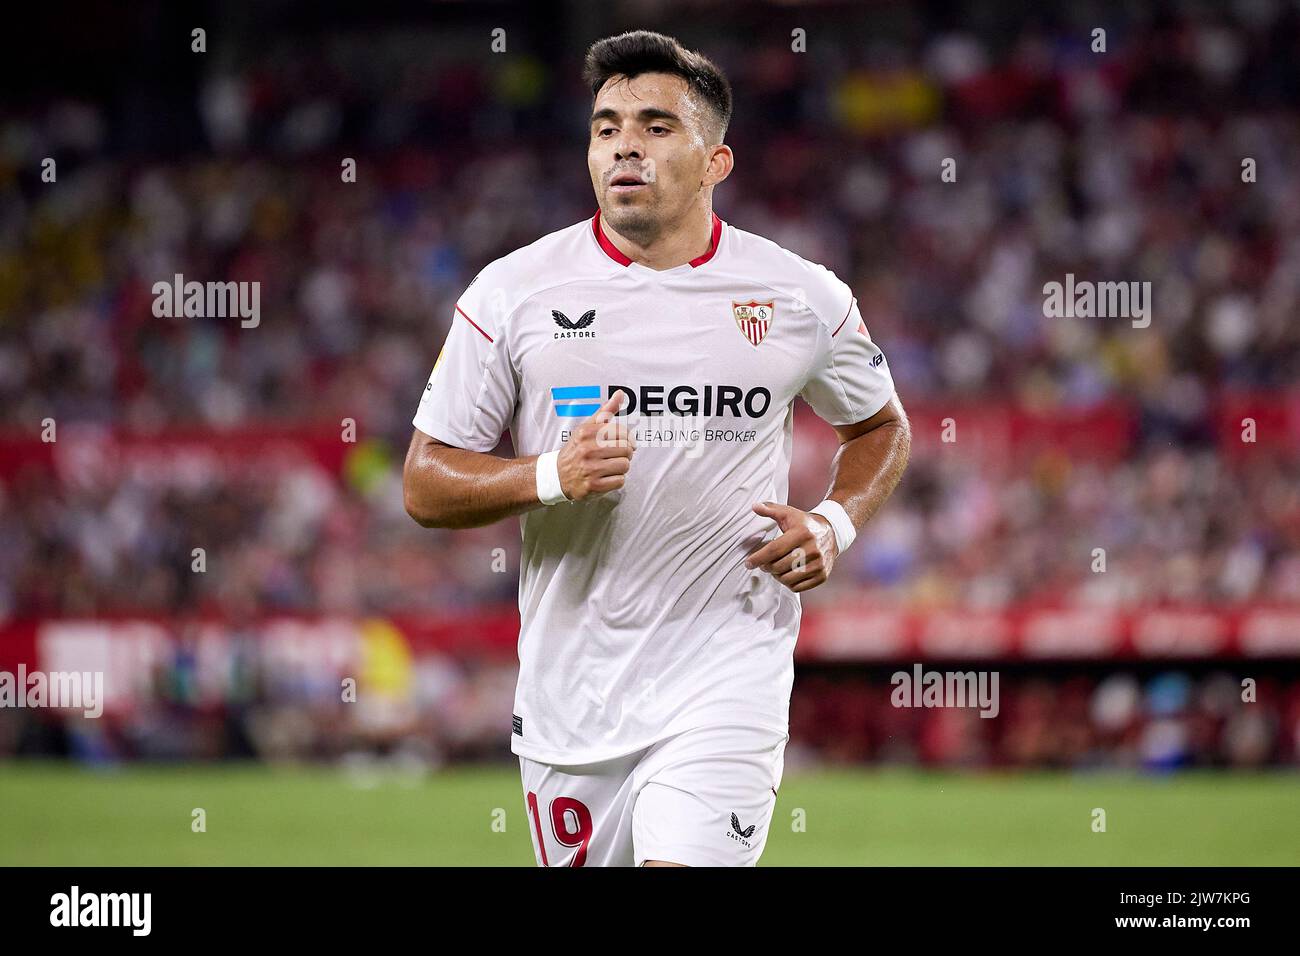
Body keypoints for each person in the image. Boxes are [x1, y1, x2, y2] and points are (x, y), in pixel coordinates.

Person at [402, 30, 911, 866]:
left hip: (728, 671)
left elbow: (881, 426)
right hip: (575, 699)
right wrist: (549, 477)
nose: (624, 145)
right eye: (605, 127)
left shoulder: (798, 296)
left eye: (655, 126)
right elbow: (424, 482)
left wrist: (834, 524)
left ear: (716, 162)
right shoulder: (515, 291)